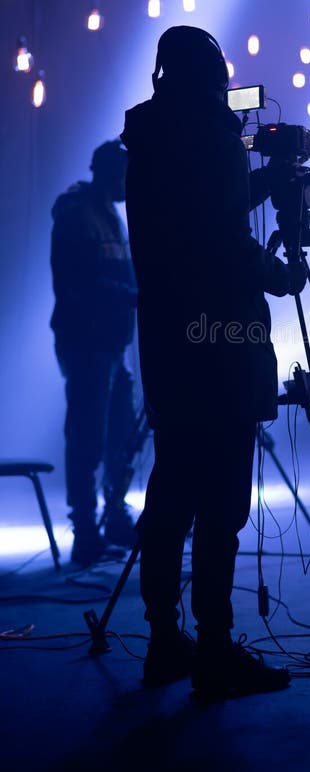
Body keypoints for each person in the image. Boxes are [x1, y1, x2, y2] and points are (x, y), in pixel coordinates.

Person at [121, 25, 305, 696]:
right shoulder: (216, 141)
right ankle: (217, 650)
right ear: (214, 75)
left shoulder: (150, 139)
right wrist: (282, 276)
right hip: (221, 340)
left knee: (172, 489)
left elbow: (194, 216)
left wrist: (259, 183)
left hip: (168, 339)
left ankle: (164, 641)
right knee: (223, 499)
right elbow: (224, 240)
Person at [51, 140, 139, 566]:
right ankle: (85, 530)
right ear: (111, 173)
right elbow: (80, 281)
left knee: (122, 432)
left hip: (110, 343)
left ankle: (113, 515)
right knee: (87, 436)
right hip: (88, 342)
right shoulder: (78, 214)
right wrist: (134, 296)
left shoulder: (106, 214)